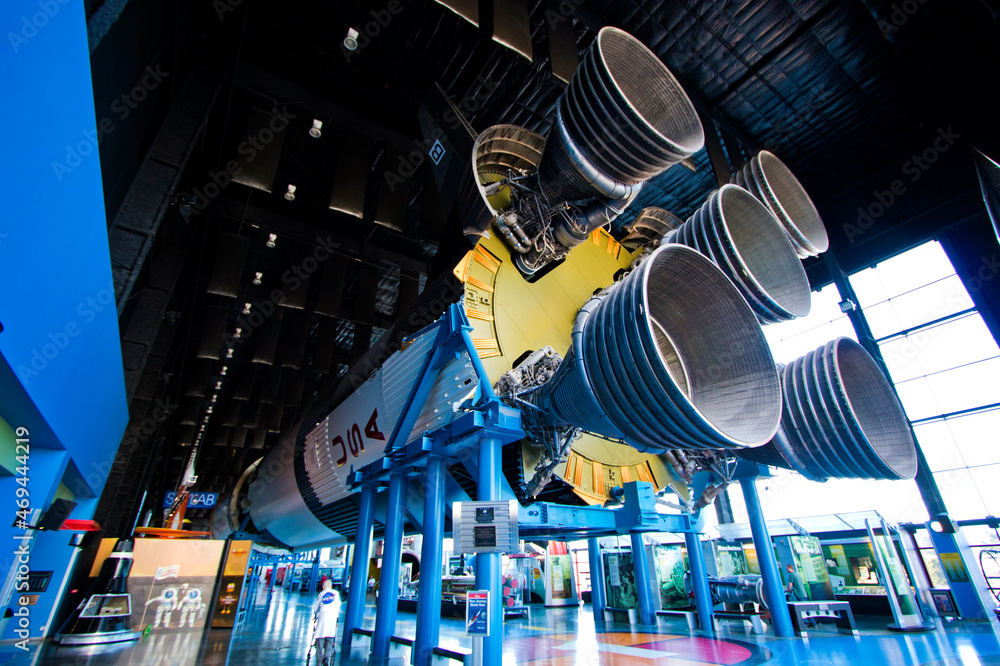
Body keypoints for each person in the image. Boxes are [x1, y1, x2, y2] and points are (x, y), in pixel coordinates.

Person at [313, 579, 341, 666]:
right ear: (331, 587)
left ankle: (319, 660)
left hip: (323, 616)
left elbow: (316, 608)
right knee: (330, 638)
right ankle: (326, 658)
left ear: (323, 587)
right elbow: (338, 604)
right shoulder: (336, 593)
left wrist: (316, 614)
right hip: (333, 617)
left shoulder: (321, 594)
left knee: (320, 638)